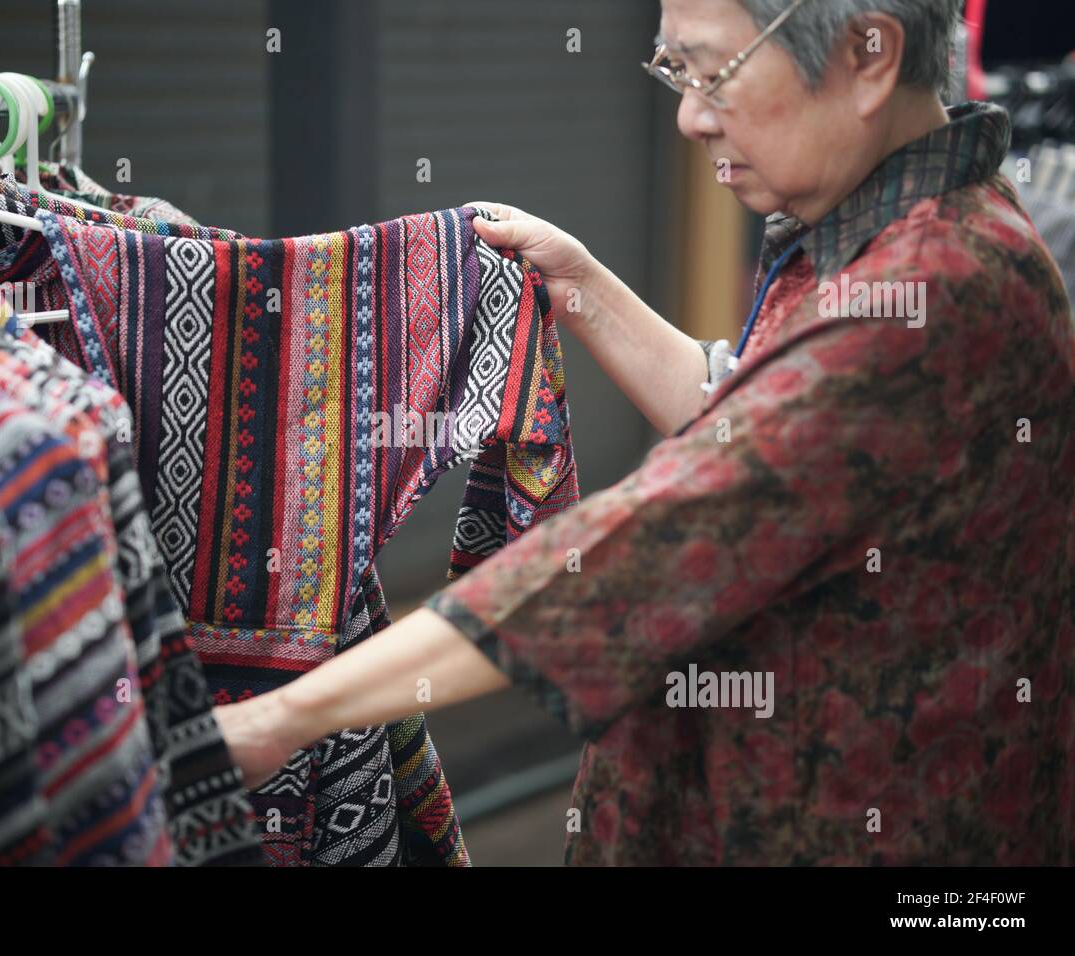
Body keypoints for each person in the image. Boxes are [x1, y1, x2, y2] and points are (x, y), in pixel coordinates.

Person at [214, 0, 1075, 865]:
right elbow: (747, 419)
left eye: (714, 73)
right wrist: (578, 281)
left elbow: (654, 544)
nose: (691, 116)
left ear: (870, 55)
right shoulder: (890, 227)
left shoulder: (928, 296)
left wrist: (282, 714)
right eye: (675, 72)